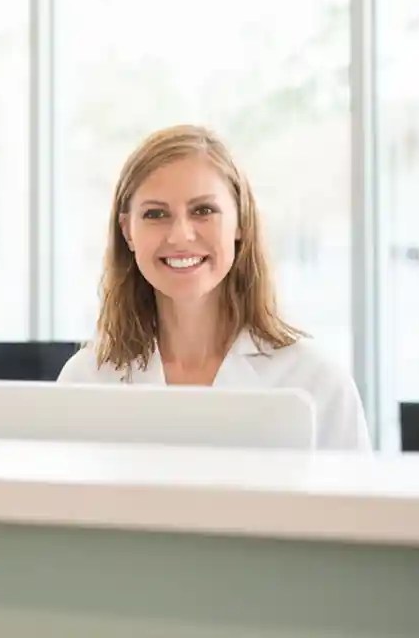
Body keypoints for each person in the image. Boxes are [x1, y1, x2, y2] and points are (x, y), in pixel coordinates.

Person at [57, 124, 371, 451]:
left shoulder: (316, 382)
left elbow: (354, 503)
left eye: (203, 211)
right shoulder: (85, 380)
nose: (180, 236)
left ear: (239, 221)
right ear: (128, 232)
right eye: (155, 214)